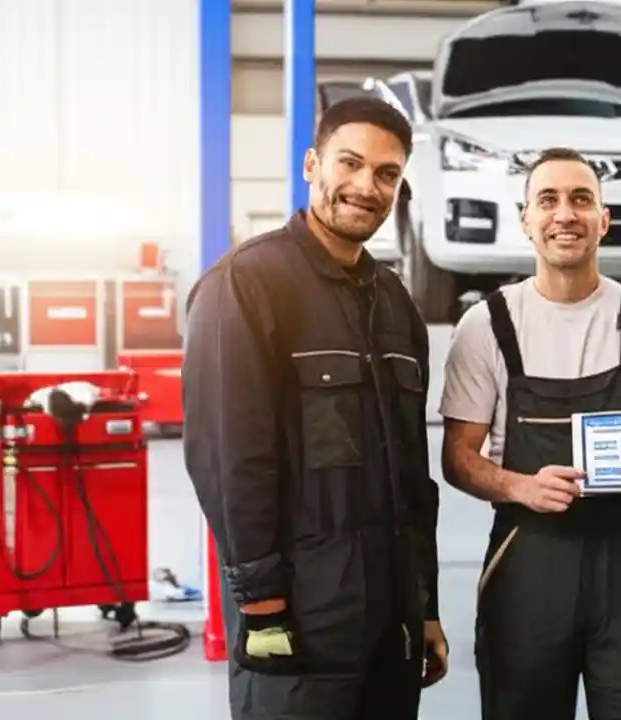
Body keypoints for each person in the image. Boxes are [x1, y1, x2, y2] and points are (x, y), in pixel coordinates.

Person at [182, 96, 448, 720]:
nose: (365, 187)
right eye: (349, 163)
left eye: (386, 174)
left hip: (387, 625)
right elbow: (227, 463)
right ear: (311, 164)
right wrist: (261, 607)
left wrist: (423, 604)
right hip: (298, 626)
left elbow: (412, 477)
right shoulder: (246, 285)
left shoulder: (392, 300)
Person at [439, 147, 621, 720]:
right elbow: (457, 458)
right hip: (527, 570)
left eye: (582, 199)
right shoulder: (487, 325)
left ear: (604, 219)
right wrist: (520, 487)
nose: (565, 214)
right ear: (525, 217)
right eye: (547, 200)